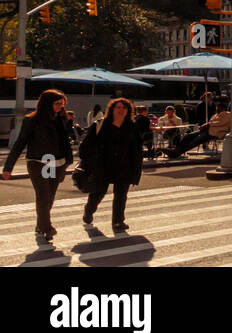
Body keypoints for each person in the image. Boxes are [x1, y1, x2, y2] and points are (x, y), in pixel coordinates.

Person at [1, 89, 74, 244]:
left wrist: (68, 161)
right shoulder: (31, 120)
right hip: (38, 163)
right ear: (47, 104)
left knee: (50, 198)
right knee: (43, 196)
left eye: (62, 104)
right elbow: (20, 143)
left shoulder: (60, 119)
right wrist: (8, 167)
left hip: (57, 163)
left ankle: (41, 224)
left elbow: (65, 142)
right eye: (57, 104)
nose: (60, 107)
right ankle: (46, 228)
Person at [78, 97, 145, 233]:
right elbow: (85, 146)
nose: (121, 110)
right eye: (118, 107)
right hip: (103, 166)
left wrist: (136, 168)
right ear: (112, 109)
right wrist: (90, 162)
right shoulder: (100, 124)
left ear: (128, 111)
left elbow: (137, 149)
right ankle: (89, 211)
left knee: (121, 195)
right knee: (98, 192)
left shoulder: (131, 127)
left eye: (124, 108)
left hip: (124, 166)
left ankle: (118, 221)